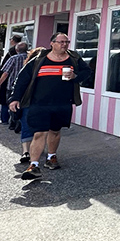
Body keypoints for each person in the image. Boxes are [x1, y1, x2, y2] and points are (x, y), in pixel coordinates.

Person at [9, 33, 91, 180]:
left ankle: (51, 157)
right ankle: (33, 165)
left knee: (55, 131)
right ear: (52, 43)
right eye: (61, 42)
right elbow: (22, 80)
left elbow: (87, 72)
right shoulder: (39, 60)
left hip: (62, 103)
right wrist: (15, 98)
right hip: (39, 103)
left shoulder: (74, 58)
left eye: (67, 42)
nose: (64, 45)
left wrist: (76, 77)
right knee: (39, 133)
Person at [0, 42, 28, 131]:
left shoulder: (13, 58)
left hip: (12, 85)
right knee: (23, 104)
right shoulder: (30, 58)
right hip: (26, 86)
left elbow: (5, 72)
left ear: (16, 50)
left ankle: (14, 122)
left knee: (11, 104)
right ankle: (20, 121)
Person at [0, 35, 22, 124]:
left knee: (6, 100)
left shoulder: (12, 54)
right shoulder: (27, 56)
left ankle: (6, 119)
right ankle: (15, 121)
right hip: (21, 82)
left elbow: (5, 71)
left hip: (10, 80)